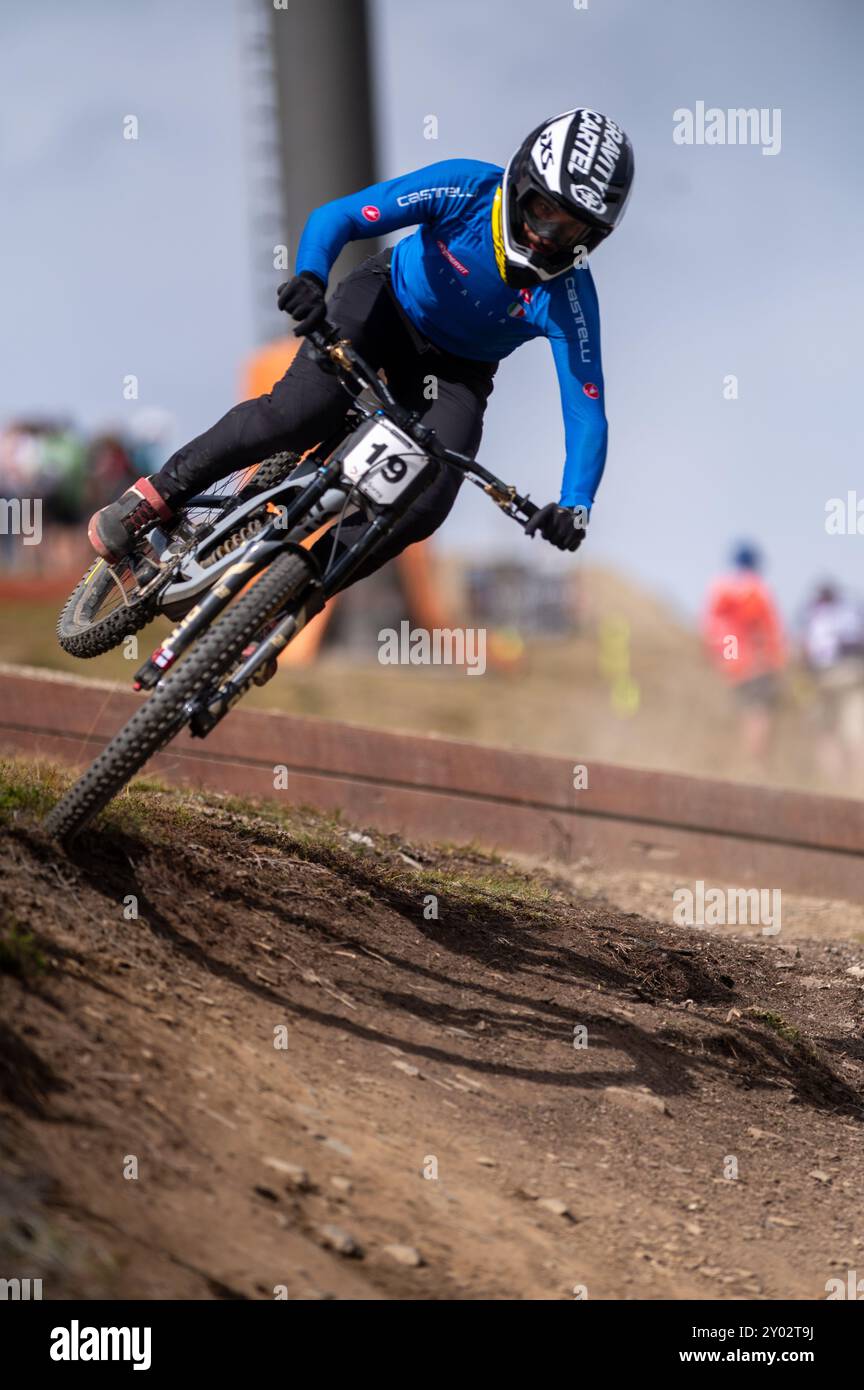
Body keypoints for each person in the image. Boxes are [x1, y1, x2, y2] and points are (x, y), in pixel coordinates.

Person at [88, 109, 634, 584]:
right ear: (519, 183)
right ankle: (154, 497)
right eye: (542, 211)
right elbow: (340, 217)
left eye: (569, 231)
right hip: (384, 307)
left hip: (456, 374)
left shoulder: (571, 296)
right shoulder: (466, 188)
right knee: (300, 413)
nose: (546, 236)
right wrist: (310, 278)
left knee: (425, 504)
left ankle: (292, 592)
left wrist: (575, 507)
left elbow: (586, 412)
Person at [702, 543, 786, 762]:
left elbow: (711, 627)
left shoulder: (719, 588)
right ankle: (755, 760)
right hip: (754, 663)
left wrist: (723, 658)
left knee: (742, 712)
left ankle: (741, 758)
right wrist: (773, 660)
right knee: (759, 712)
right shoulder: (756, 589)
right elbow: (762, 627)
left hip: (730, 663)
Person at [800, 581, 864, 785]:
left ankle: (835, 782)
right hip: (854, 674)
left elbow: (807, 650)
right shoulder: (852, 613)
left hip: (823, 677)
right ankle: (857, 784)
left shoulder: (814, 615)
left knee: (824, 733)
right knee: (855, 732)